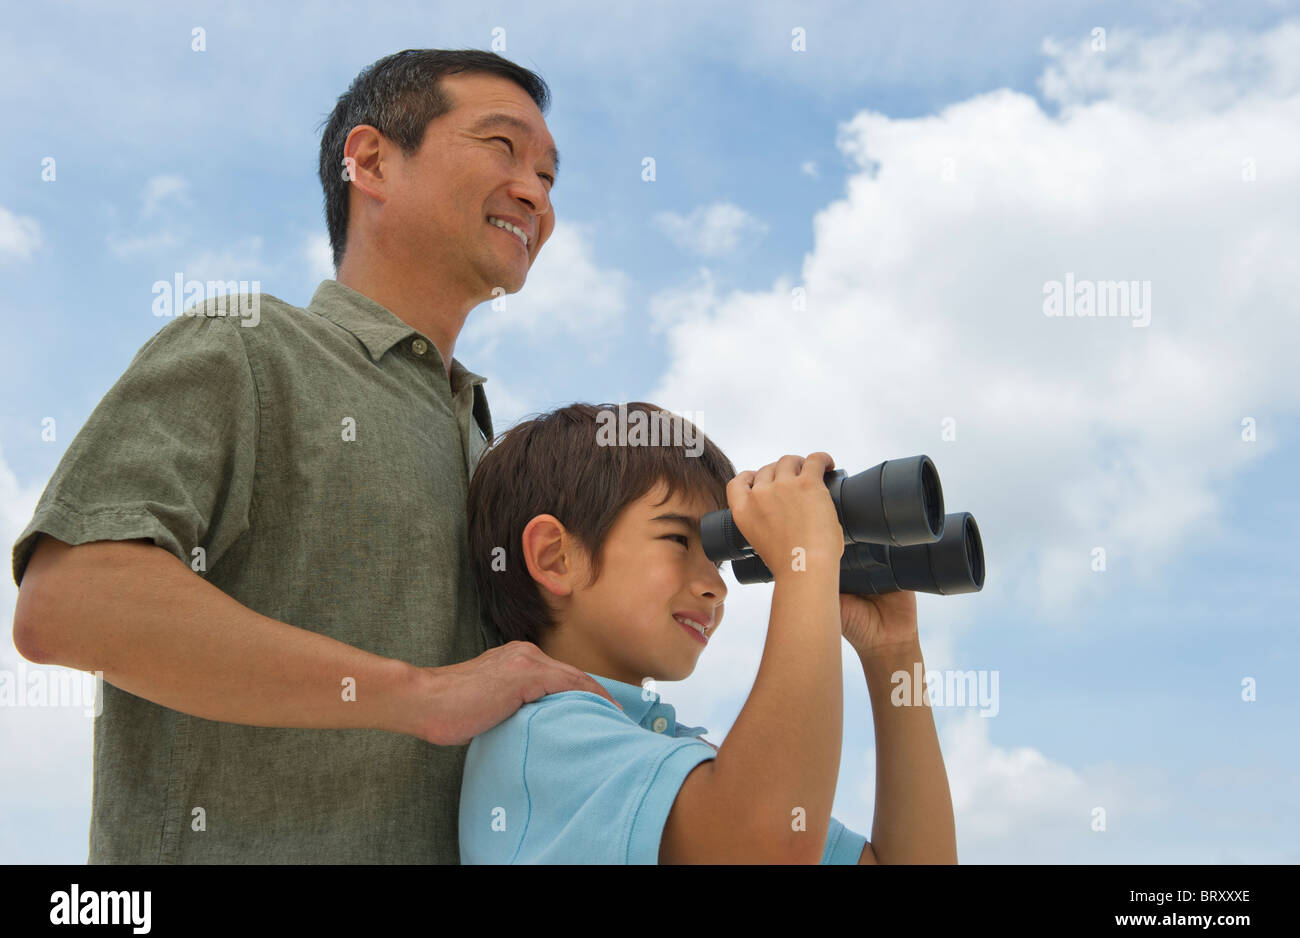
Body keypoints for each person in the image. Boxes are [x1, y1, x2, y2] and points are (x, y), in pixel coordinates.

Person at [9, 48, 622, 864]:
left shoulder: (494, 451)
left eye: (550, 176)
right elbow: (72, 602)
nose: (535, 193)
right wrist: (423, 696)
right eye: (502, 147)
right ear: (371, 160)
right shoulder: (247, 347)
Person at [458, 402, 959, 863]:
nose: (715, 587)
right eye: (677, 539)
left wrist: (892, 652)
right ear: (555, 556)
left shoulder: (671, 758)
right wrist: (806, 565)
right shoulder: (539, 738)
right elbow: (771, 845)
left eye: (718, 556)